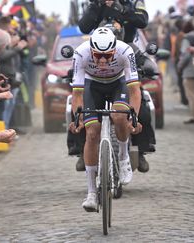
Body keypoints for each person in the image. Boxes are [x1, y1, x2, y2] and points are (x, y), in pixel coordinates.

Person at [69, 27, 142, 212]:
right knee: (91, 133)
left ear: (114, 51)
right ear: (91, 50)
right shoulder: (81, 53)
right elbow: (77, 93)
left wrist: (134, 118)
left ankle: (124, 156)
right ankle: (92, 193)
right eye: (98, 56)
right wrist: (77, 118)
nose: (102, 61)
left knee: (119, 116)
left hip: (118, 84)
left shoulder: (126, 51)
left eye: (108, 56)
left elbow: (134, 90)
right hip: (92, 85)